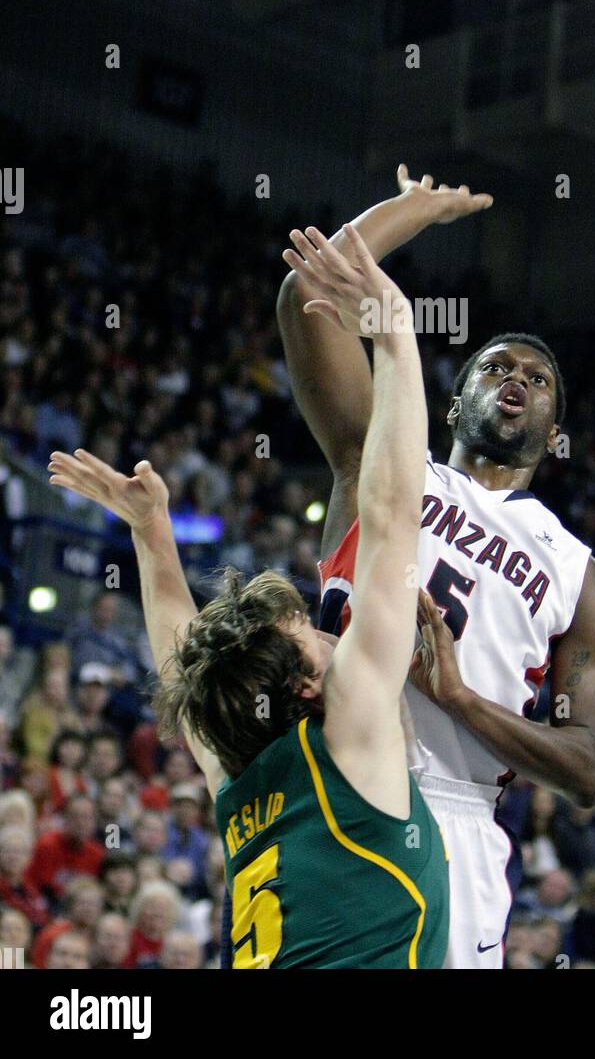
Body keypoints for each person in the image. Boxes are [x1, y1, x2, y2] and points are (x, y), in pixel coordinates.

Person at [48, 223, 449, 969]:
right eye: (311, 632)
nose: (330, 633)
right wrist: (394, 332)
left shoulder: (244, 778)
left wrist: (151, 533)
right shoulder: (337, 733)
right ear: (305, 683)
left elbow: (184, 668)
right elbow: (390, 516)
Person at [277, 165, 595, 968]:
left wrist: (462, 699)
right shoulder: (387, 464)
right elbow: (309, 295)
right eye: (497, 367)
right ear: (455, 394)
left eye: (537, 380)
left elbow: (590, 769)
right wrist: (413, 212)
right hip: (339, 768)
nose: (517, 382)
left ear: (553, 428)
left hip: (461, 812)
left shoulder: (580, 575)